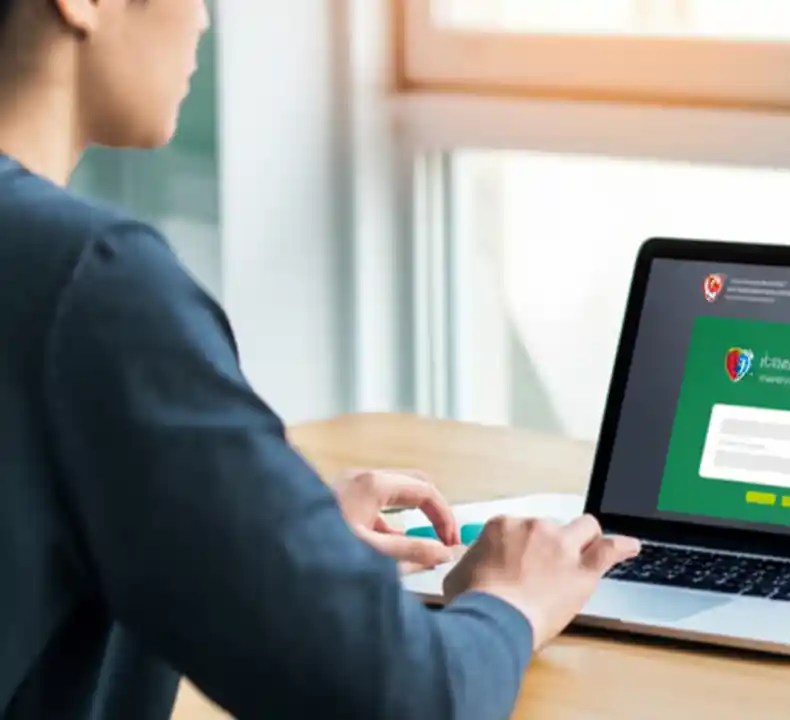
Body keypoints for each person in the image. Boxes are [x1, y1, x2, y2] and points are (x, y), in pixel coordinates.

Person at [0, 0, 640, 718]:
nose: (205, 23)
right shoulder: (91, 284)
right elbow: (404, 701)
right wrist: (509, 601)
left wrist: (259, 542)